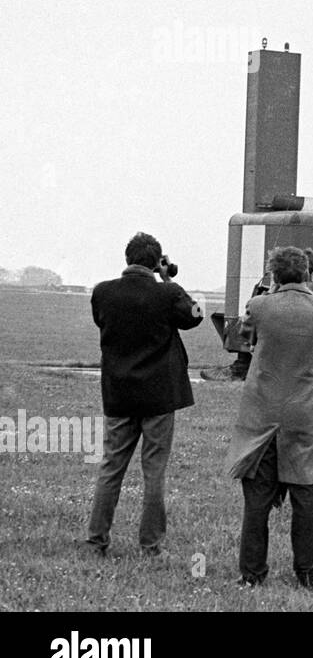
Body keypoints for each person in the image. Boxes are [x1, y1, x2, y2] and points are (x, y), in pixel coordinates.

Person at [224, 246, 313, 588]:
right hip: (307, 416)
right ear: (308, 273)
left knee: (257, 503)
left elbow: (244, 336)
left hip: (262, 417)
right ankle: (308, 573)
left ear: (273, 276)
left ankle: (252, 574)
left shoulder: (259, 306)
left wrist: (267, 292)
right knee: (307, 502)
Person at [83, 232, 205, 557]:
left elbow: (101, 323)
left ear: (127, 258)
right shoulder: (167, 293)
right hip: (159, 395)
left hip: (119, 393)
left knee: (111, 467)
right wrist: (168, 280)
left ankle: (97, 539)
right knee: (154, 470)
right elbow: (195, 315)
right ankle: (150, 544)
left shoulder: (103, 293)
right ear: (156, 261)